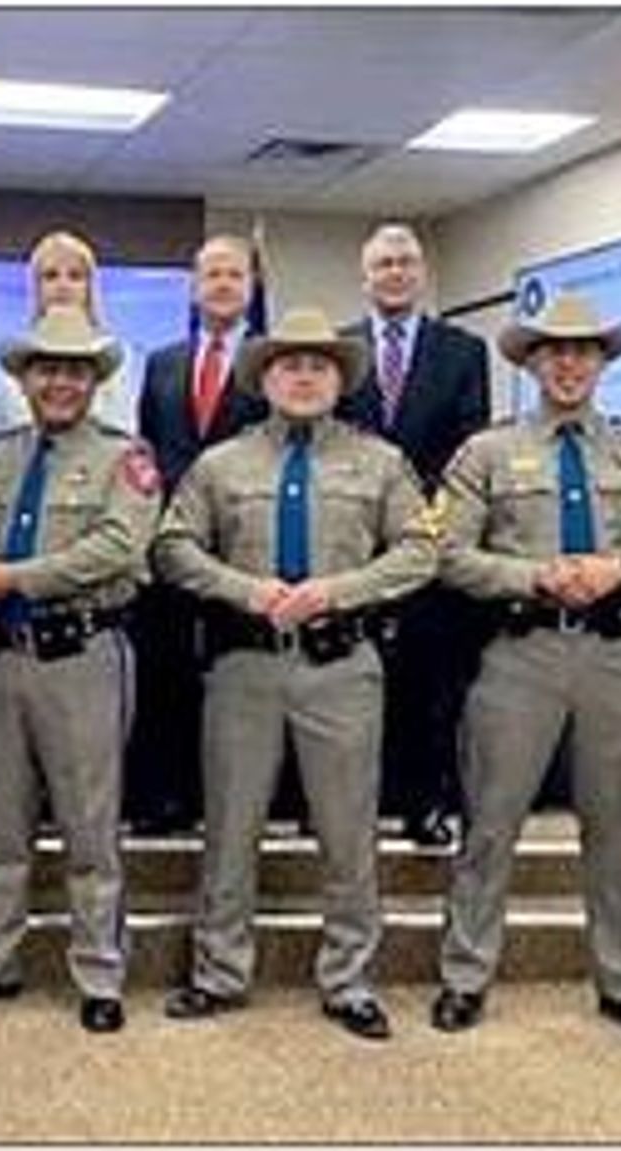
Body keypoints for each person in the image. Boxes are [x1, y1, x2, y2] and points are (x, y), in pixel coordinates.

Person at [154, 307, 436, 1041]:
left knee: (347, 832)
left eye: (319, 364)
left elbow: (419, 552)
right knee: (231, 827)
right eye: (289, 364)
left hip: (342, 667)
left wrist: (334, 591)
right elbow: (172, 547)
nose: (304, 375)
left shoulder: (380, 462)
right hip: (244, 666)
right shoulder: (222, 463)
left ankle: (349, 979)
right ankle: (219, 973)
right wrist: (247, 590)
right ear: (266, 378)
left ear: (340, 378)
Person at [0, 306, 159, 1032]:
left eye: (75, 370)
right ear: (24, 379)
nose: (60, 382)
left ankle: (100, 974)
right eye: (47, 368)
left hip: (81, 657)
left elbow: (117, 546)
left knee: (90, 828)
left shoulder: (127, 458)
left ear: (94, 381)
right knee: (0, 826)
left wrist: (16, 578)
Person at [429, 293, 621, 1033]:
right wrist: (532, 575)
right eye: (554, 350)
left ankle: (615, 975)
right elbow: (444, 551)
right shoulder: (485, 453)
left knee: (614, 829)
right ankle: (466, 973)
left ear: (602, 361)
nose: (569, 362)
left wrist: (613, 569)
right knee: (491, 822)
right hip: (520, 655)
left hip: (610, 653)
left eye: (584, 350)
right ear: (532, 361)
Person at [337, 223, 491, 847]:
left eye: (405, 262)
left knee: (431, 682)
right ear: (365, 275)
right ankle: (355, 805)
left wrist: (416, 521)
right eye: (383, 264)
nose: (394, 273)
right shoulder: (340, 349)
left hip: (429, 539)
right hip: (352, 540)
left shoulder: (462, 350)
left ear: (421, 272)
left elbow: (466, 449)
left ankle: (427, 804)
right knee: (351, 683)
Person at [128, 234, 267, 834]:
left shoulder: (270, 363)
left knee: (235, 684)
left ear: (252, 285)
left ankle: (231, 803)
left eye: (234, 274)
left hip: (242, 548)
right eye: (211, 274)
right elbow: (149, 454)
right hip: (174, 544)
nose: (222, 284)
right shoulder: (162, 362)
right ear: (193, 286)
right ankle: (167, 797)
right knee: (166, 678)